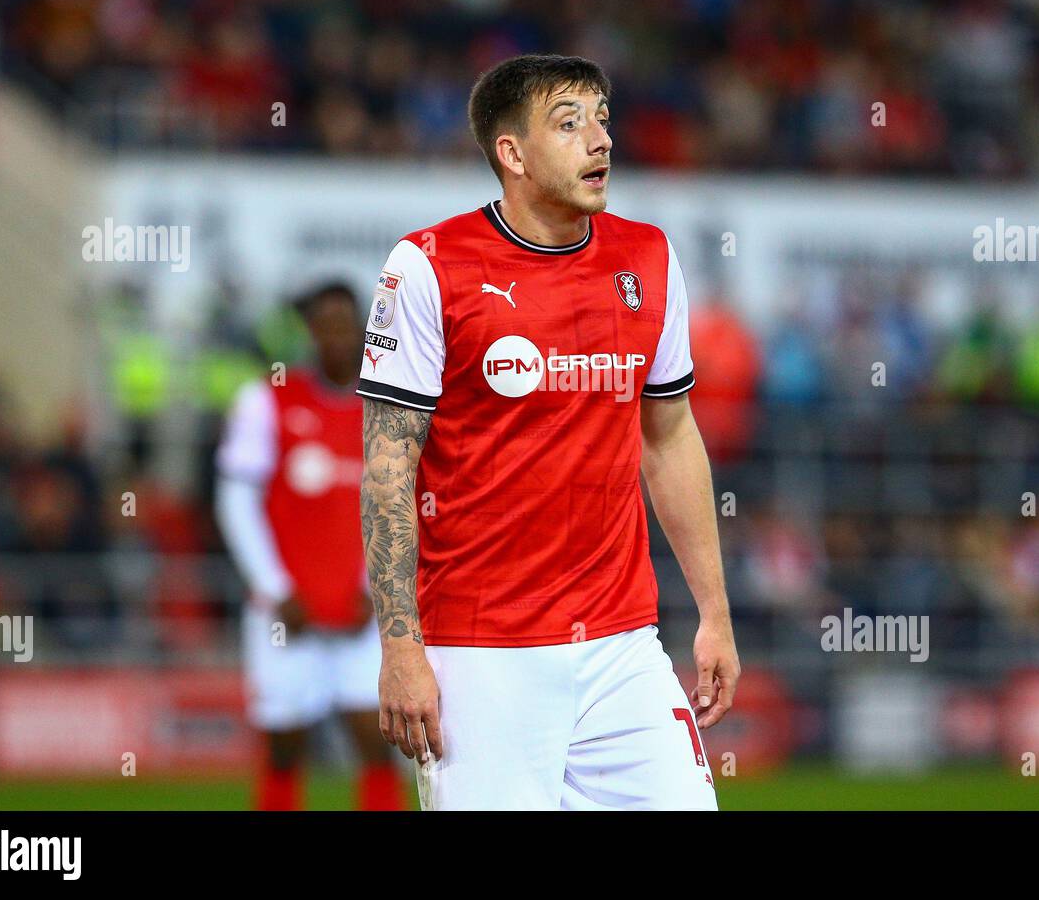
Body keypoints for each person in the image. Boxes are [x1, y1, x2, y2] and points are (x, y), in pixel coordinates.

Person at [358, 54, 739, 809]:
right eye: (570, 124)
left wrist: (715, 614)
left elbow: (668, 440)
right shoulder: (430, 267)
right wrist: (401, 647)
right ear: (513, 153)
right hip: (479, 652)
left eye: (603, 118)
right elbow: (388, 468)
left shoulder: (650, 259)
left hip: (622, 642)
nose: (600, 139)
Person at [216, 281, 404, 810]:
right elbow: (235, 501)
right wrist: (276, 590)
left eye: (345, 324)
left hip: (362, 611)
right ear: (308, 332)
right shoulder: (265, 401)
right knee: (283, 749)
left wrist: (376, 588)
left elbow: (401, 507)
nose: (336, 337)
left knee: (377, 741)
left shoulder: (386, 409)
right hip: (285, 614)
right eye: (324, 325)